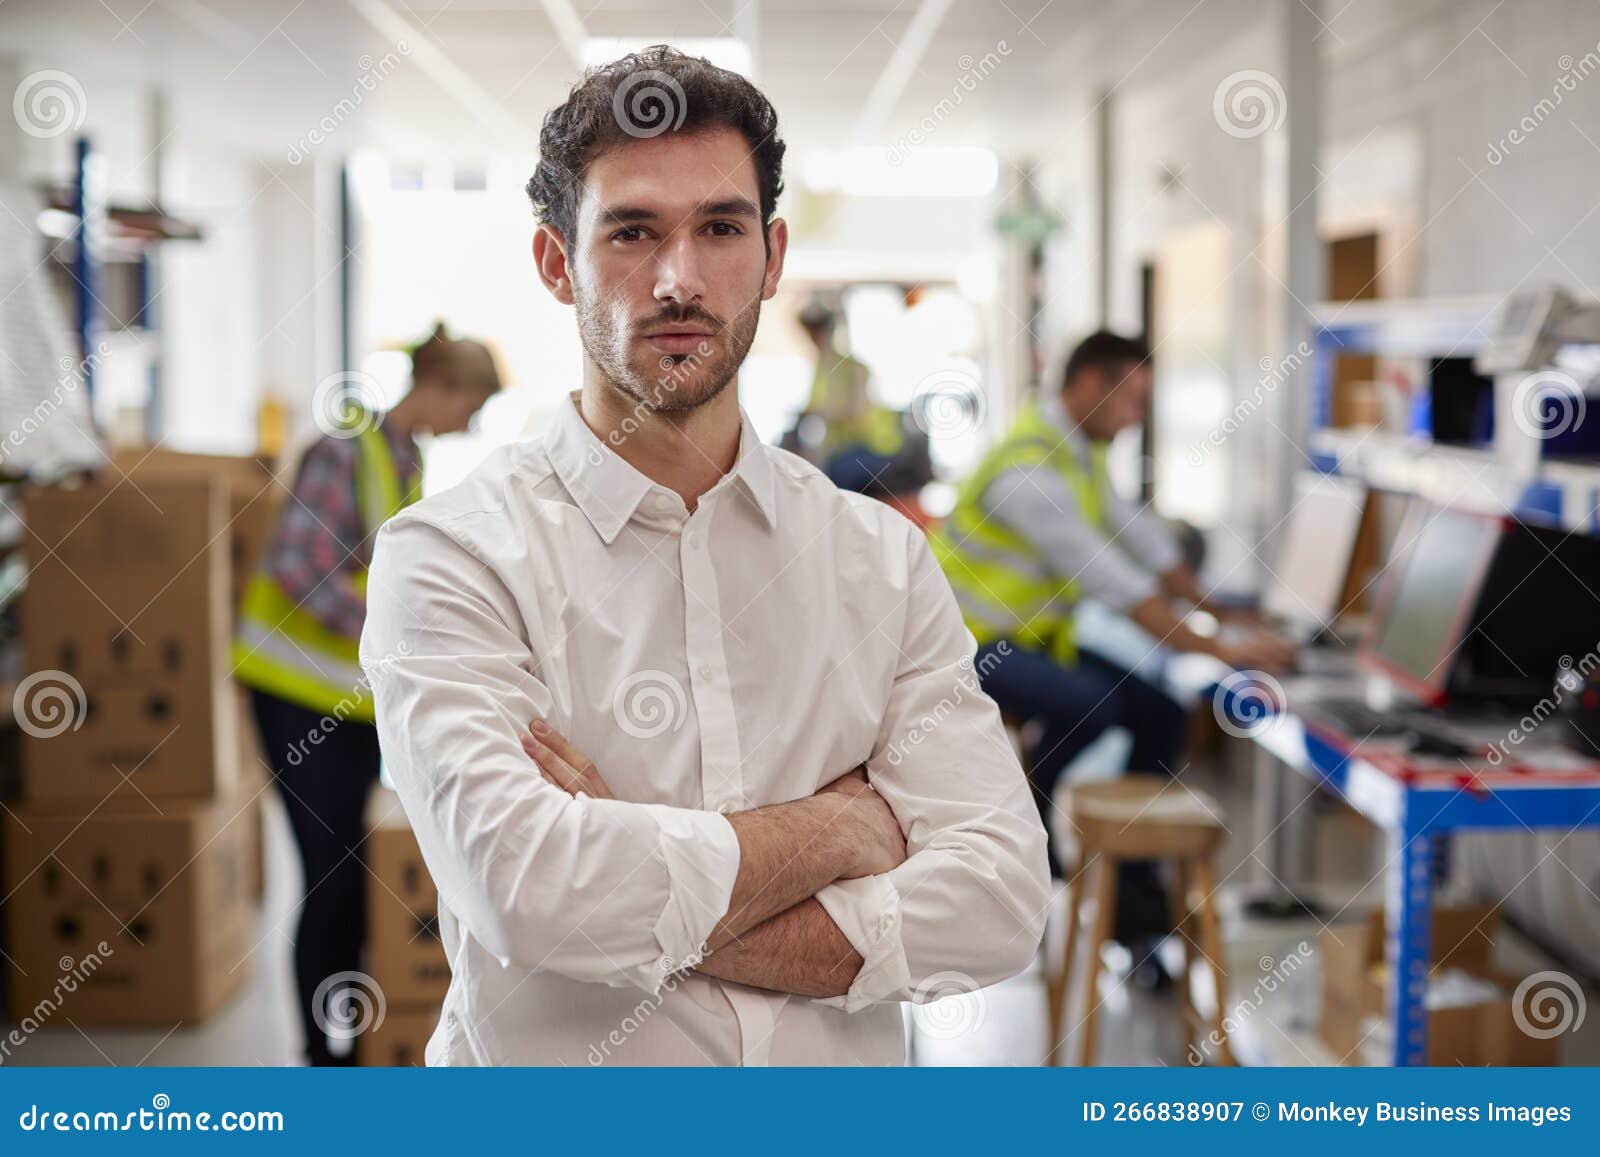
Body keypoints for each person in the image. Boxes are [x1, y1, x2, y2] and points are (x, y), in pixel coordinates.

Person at [359, 46, 1049, 1067]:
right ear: (558, 262)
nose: (678, 278)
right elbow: (528, 890)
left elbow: (997, 898)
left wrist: (637, 884)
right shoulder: (452, 558)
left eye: (719, 228)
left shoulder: (880, 562)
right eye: (632, 231)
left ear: (770, 257)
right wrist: (836, 830)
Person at [931, 331, 1295, 950]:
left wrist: (1223, 616)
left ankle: (1132, 891)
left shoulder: (1076, 455)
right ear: (1090, 385)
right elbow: (1110, 579)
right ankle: (1030, 828)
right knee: (1094, 705)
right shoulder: (1028, 470)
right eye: (1132, 401)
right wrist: (1218, 648)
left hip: (1036, 639)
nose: (1136, 419)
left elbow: (1144, 541)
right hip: (967, 646)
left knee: (1158, 710)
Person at [231, 325, 500, 1066]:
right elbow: (300, 568)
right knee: (332, 874)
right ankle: (324, 1056)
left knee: (351, 866)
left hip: (346, 704)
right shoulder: (346, 449)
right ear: (441, 388)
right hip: (294, 694)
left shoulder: (401, 458)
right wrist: (393, 631)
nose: (468, 424)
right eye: (470, 406)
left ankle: (348, 1041)